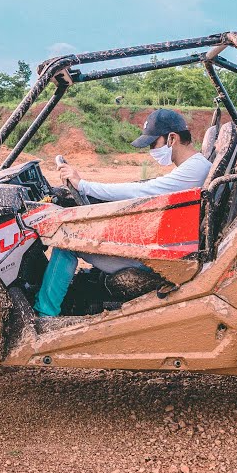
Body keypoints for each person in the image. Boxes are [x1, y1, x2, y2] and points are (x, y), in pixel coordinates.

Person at [34, 109, 212, 317]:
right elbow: (145, 189)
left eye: (153, 144)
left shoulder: (196, 169)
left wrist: (84, 186)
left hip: (162, 259)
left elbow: (142, 192)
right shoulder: (193, 167)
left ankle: (45, 314)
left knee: (66, 243)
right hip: (164, 244)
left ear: (172, 138)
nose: (151, 151)